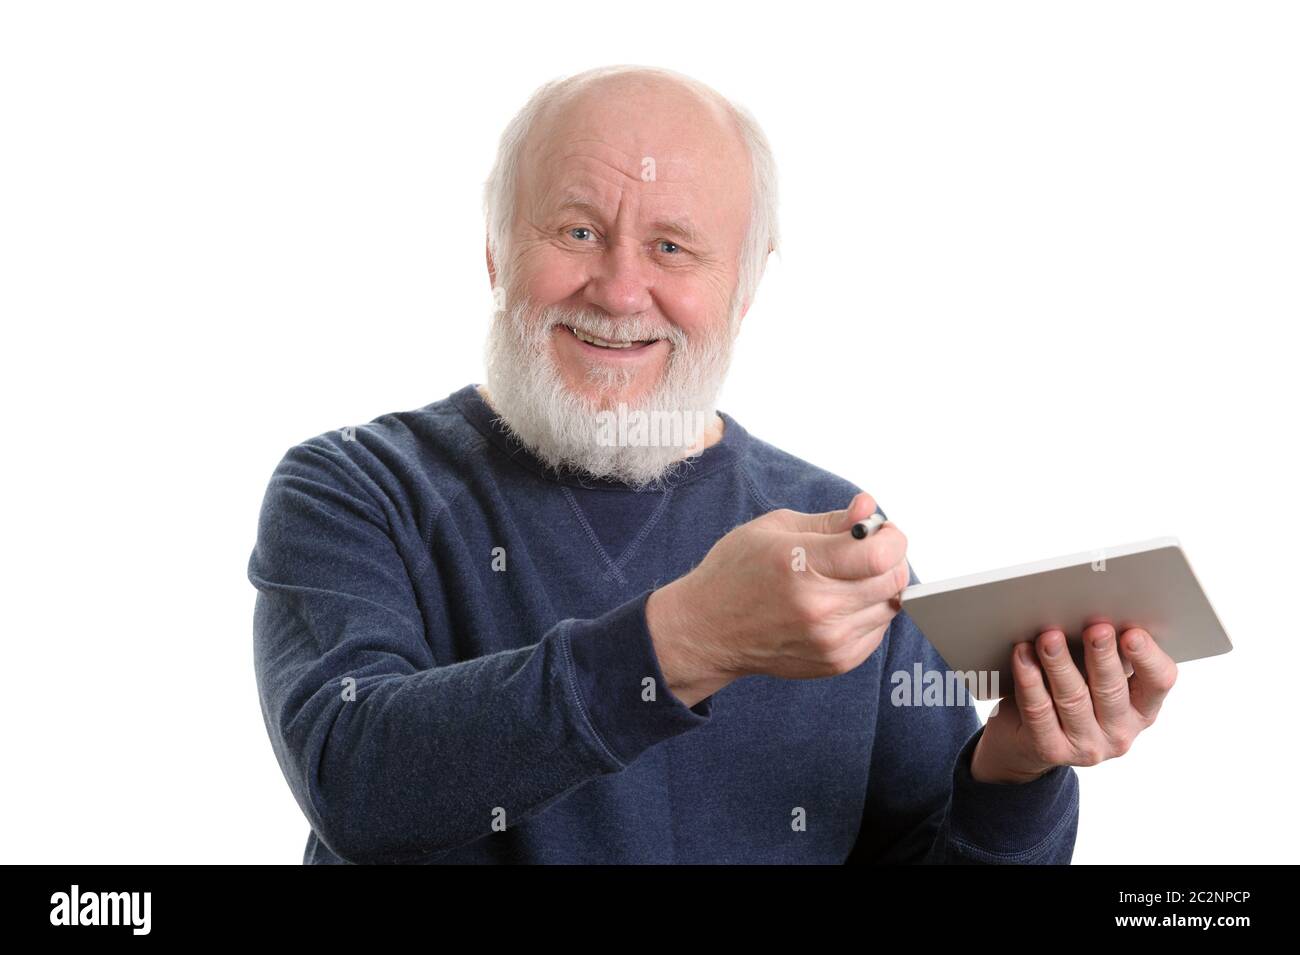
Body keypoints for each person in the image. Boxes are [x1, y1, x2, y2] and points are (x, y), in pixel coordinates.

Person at [248, 65, 1177, 864]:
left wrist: (1013, 773)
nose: (618, 290)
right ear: (494, 252)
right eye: (575, 232)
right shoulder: (355, 489)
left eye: (671, 246)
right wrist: (686, 638)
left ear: (745, 285)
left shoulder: (834, 532)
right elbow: (354, 777)